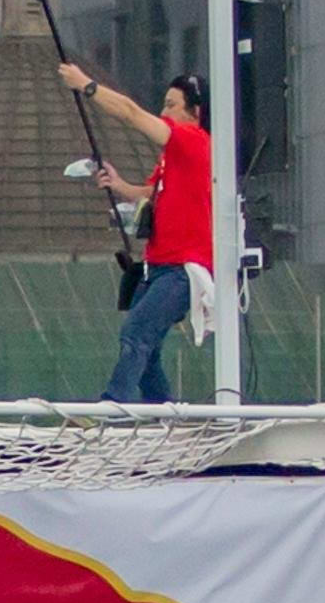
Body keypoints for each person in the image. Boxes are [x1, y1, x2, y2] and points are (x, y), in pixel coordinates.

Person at [64, 60, 216, 403]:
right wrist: (119, 185)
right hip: (159, 266)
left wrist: (87, 85)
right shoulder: (173, 158)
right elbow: (152, 194)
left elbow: (131, 114)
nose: (164, 113)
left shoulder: (192, 140)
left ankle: (112, 403)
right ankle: (163, 413)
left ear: (195, 112)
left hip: (181, 269)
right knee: (148, 350)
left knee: (136, 334)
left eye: (172, 105)